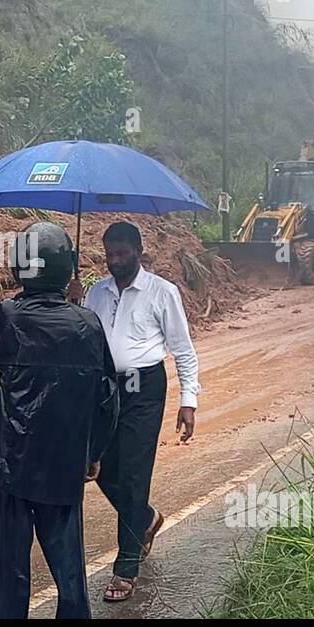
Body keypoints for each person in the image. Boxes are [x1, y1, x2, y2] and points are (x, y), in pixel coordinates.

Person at [0, 221, 119, 619]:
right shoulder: (87, 324)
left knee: (8, 571)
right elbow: (108, 398)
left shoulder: (7, 315)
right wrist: (93, 453)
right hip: (64, 462)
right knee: (69, 570)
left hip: (12, 462)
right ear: (67, 266)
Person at [82, 221, 200, 603]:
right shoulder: (94, 293)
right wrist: (73, 306)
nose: (115, 261)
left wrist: (189, 400)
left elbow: (182, 348)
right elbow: (84, 340)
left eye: (122, 253)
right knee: (99, 467)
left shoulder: (161, 292)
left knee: (133, 474)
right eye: (109, 254)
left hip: (144, 389)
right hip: (105, 388)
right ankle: (146, 518)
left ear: (139, 251)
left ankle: (126, 566)